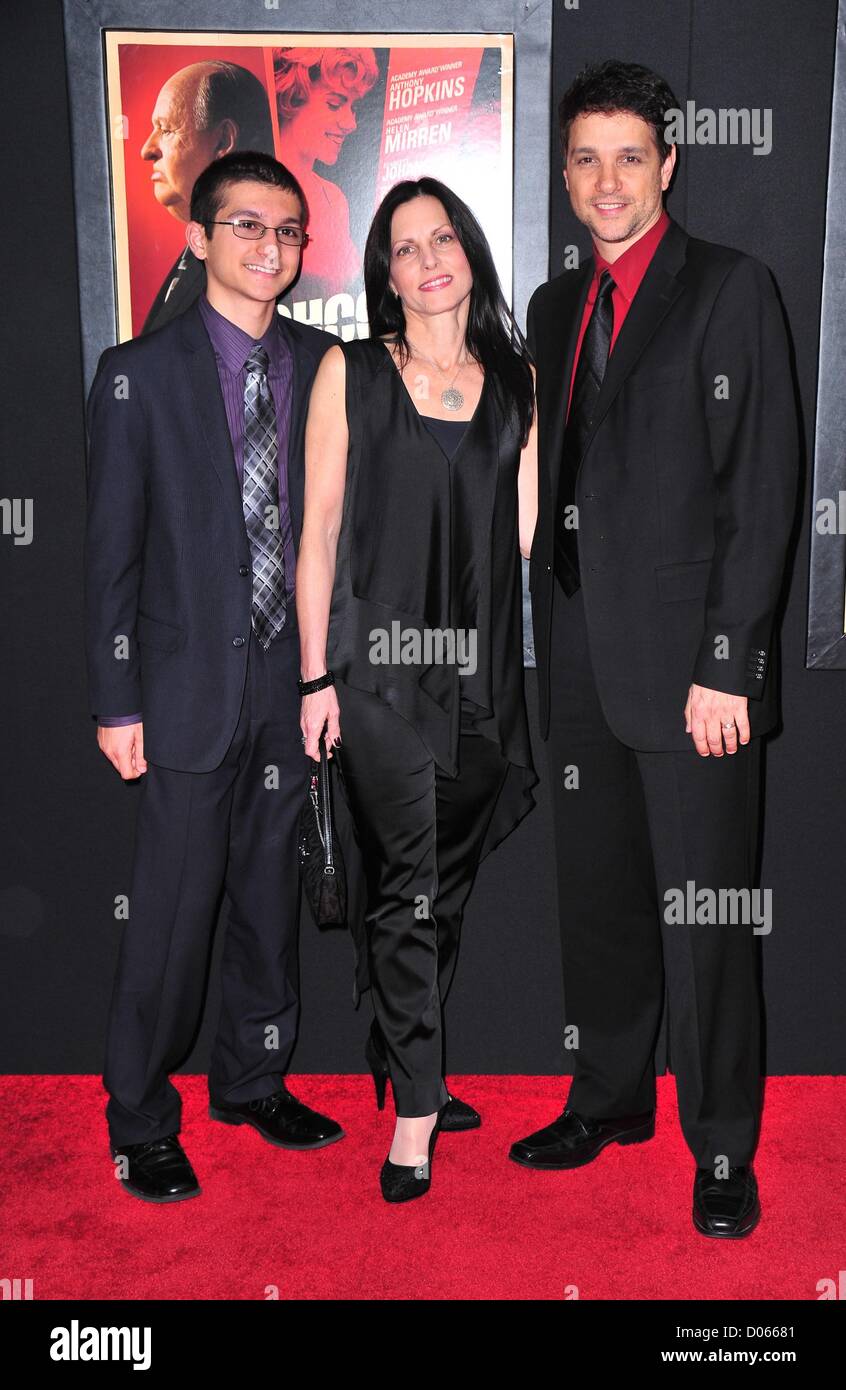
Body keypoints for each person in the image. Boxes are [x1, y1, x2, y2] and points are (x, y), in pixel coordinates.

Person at [510, 60, 798, 1238]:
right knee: (604, 902)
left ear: (668, 165)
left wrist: (730, 662)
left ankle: (722, 1143)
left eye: (632, 155)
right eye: (587, 158)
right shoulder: (551, 305)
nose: (607, 178)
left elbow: (765, 489)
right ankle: (612, 1095)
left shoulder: (732, 289)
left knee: (710, 916)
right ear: (567, 174)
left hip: (693, 672)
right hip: (576, 651)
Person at [85, 149, 341, 1204]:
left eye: (286, 230)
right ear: (197, 239)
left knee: (267, 904)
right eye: (245, 226)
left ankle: (252, 1076)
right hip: (184, 692)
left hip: (292, 686)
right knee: (171, 918)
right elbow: (111, 553)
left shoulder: (328, 364)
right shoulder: (134, 372)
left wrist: (331, 680)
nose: (268, 247)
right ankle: (140, 1116)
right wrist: (116, 698)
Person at [297, 176, 539, 1202]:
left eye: (445, 236)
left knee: (447, 887)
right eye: (406, 246)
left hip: (479, 685)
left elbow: (520, 537)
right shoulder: (349, 373)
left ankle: (405, 1055)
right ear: (385, 276)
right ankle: (419, 1110)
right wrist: (316, 677)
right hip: (380, 680)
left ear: (469, 252)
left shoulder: (516, 382)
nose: (430, 256)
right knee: (405, 895)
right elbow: (315, 534)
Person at [139, 62, 276, 333]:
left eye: (165, 129)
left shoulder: (252, 262)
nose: (147, 150)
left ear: (223, 141)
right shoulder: (203, 248)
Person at [273, 47, 379, 296]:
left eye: (353, 107)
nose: (351, 123)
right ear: (292, 97)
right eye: (334, 104)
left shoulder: (335, 200)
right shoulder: (245, 194)